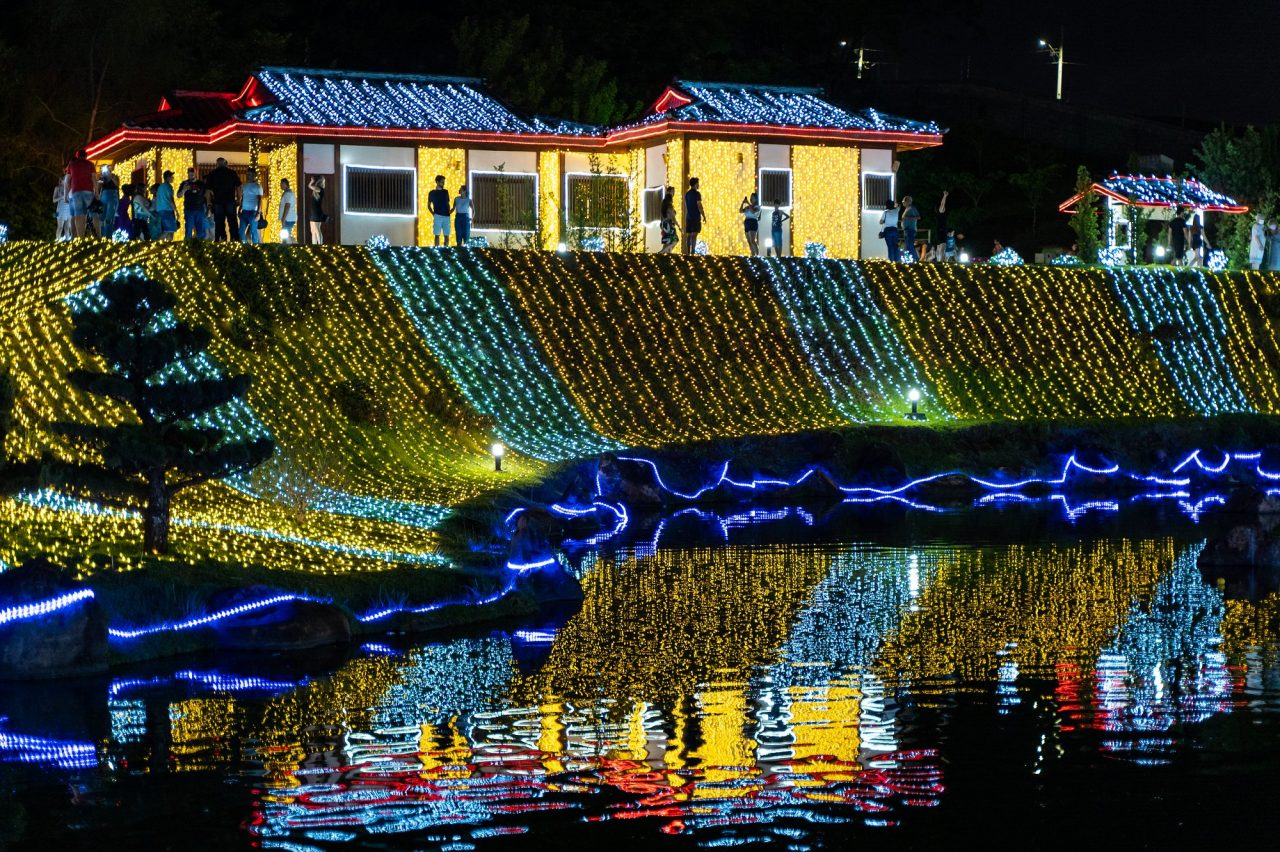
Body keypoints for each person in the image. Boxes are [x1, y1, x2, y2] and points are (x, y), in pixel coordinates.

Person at [204, 157, 240, 241]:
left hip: (218, 202)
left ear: (217, 164)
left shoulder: (212, 174)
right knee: (232, 222)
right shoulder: (232, 173)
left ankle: (221, 239)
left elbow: (208, 191)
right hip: (230, 201)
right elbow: (239, 187)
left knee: (219, 223)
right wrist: (238, 199)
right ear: (225, 163)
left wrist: (209, 203)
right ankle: (234, 240)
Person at [65, 149, 96, 238]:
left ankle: (80, 237)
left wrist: (67, 193)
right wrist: (96, 192)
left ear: (77, 156)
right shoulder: (90, 164)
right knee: (90, 213)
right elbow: (94, 179)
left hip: (76, 191)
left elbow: (67, 181)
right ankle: (94, 234)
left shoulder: (71, 165)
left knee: (78, 215)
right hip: (88, 191)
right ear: (86, 156)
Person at [177, 168, 206, 241]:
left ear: (195, 173)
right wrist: (184, 189)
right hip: (189, 209)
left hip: (200, 209)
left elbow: (206, 195)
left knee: (200, 229)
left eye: (192, 173)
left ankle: (200, 246)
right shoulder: (184, 183)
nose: (191, 175)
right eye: (189, 174)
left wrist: (208, 207)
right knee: (189, 228)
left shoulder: (201, 184)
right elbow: (179, 195)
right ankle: (187, 245)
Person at [238, 168, 263, 244]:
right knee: (241, 231)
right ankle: (245, 246)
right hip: (245, 211)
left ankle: (256, 247)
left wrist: (258, 213)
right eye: (247, 174)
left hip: (253, 212)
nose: (248, 176)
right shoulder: (244, 186)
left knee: (253, 231)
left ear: (254, 175)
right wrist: (240, 209)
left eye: (250, 174)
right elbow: (243, 198)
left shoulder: (257, 187)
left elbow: (260, 200)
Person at [153, 171, 178, 241]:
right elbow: (171, 200)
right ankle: (157, 243)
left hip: (161, 210)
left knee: (169, 230)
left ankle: (167, 245)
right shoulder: (168, 187)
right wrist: (176, 210)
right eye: (171, 177)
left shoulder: (161, 187)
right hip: (167, 210)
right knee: (169, 230)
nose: (173, 178)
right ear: (167, 178)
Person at [427, 175, 451, 246]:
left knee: (446, 234)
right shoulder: (432, 193)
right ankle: (437, 250)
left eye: (444, 182)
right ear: (437, 182)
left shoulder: (446, 192)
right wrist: (433, 214)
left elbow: (448, 203)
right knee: (437, 234)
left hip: (446, 216)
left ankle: (446, 250)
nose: (443, 184)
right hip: (437, 215)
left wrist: (449, 211)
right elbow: (428, 205)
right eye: (442, 182)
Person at [683, 177, 704, 255]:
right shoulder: (697, 194)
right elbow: (699, 205)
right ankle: (693, 252)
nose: (698, 185)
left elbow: (686, 206)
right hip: (695, 216)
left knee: (688, 235)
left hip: (688, 216)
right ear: (695, 184)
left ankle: (687, 252)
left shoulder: (687, 194)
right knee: (694, 234)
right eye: (698, 183)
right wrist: (703, 215)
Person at [97, 168, 120, 240]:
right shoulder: (102, 178)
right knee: (101, 217)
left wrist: (110, 176)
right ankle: (102, 236)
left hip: (112, 196)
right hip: (103, 196)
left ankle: (108, 238)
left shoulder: (114, 176)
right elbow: (98, 186)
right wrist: (101, 178)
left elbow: (117, 184)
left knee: (109, 218)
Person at [900, 195, 920, 261]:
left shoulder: (912, 208)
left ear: (908, 202)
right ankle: (909, 259)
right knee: (907, 245)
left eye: (904, 202)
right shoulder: (907, 208)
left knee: (909, 245)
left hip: (910, 229)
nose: (903, 203)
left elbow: (918, 217)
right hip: (907, 229)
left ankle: (915, 259)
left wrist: (907, 218)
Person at [277, 178, 297, 244]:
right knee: (286, 235)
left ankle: (293, 245)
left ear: (286, 184)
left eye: (282, 184)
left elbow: (287, 206)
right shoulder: (287, 193)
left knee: (286, 236)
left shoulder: (288, 193)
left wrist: (283, 218)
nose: (280, 185)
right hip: (289, 218)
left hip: (288, 218)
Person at [308, 176, 327, 244]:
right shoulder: (316, 190)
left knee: (317, 229)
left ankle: (320, 244)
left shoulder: (320, 189)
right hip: (313, 212)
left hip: (317, 212)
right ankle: (314, 245)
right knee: (313, 231)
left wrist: (311, 181)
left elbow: (310, 186)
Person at [659, 186, 678, 254]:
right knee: (674, 240)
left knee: (668, 241)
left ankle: (666, 253)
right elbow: (672, 216)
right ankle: (663, 252)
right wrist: (678, 226)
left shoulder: (664, 203)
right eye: (673, 191)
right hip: (668, 224)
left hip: (664, 223)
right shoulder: (669, 204)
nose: (673, 193)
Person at [53, 176, 72, 240]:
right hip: (61, 208)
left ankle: (68, 240)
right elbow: (54, 200)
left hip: (68, 208)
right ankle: (57, 240)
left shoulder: (69, 188)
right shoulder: (57, 188)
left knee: (67, 227)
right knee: (60, 226)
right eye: (63, 179)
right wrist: (61, 197)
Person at [933, 190, 949, 261]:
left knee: (939, 248)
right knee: (942, 247)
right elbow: (942, 204)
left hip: (938, 231)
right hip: (941, 231)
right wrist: (945, 196)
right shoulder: (941, 213)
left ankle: (939, 261)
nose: (943, 207)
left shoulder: (938, 215)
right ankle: (941, 262)